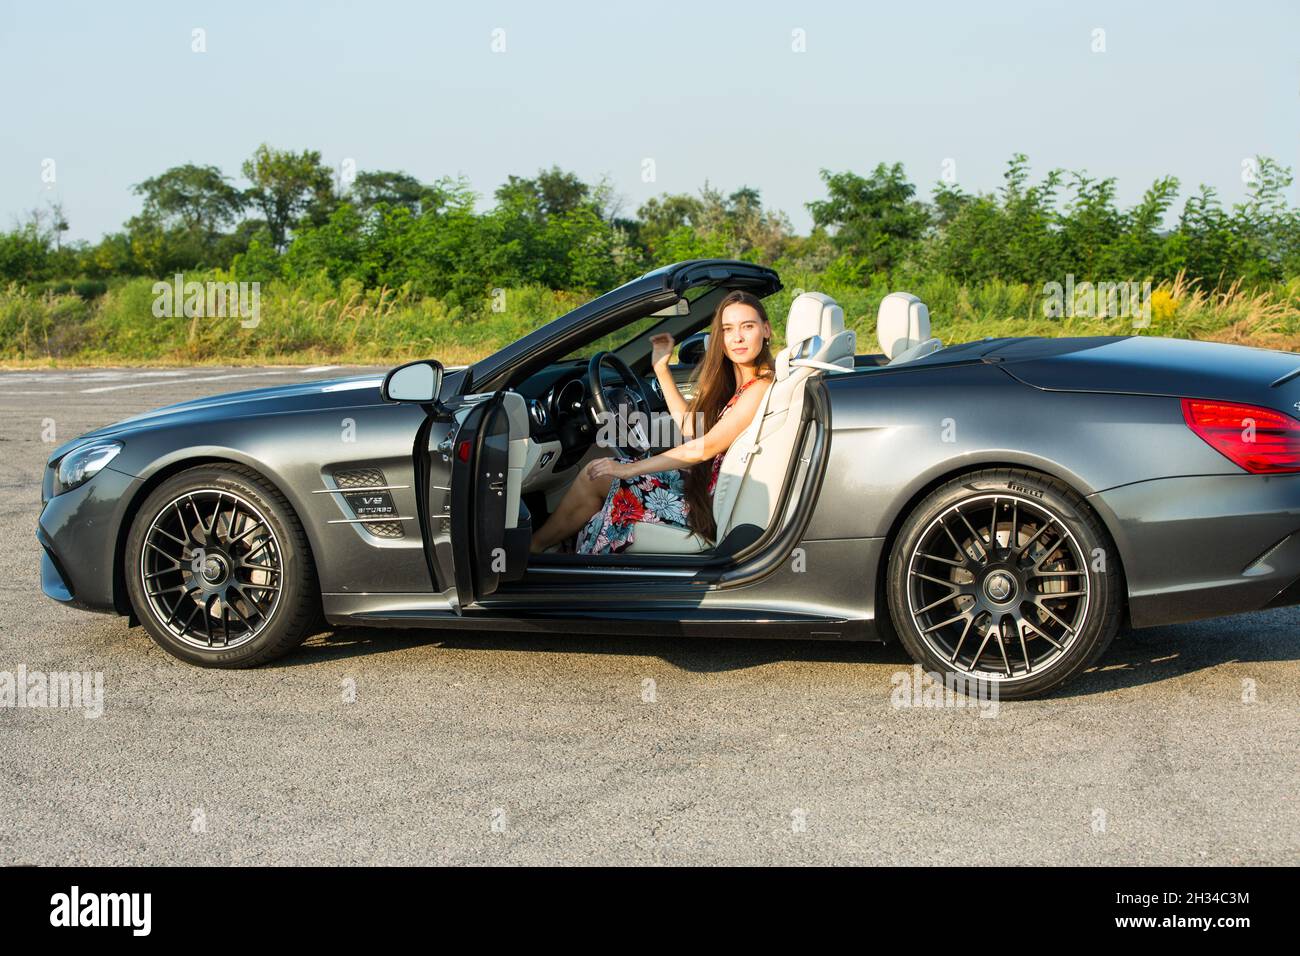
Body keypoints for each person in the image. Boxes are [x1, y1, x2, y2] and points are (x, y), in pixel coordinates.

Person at [529, 289, 776, 555]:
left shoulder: (760, 387)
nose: (737, 337)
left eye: (747, 326)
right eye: (727, 329)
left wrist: (630, 470)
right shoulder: (742, 386)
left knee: (600, 475)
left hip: (707, 507)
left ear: (766, 330)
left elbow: (703, 448)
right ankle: (549, 550)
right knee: (600, 470)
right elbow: (690, 429)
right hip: (703, 490)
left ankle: (535, 552)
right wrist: (661, 368)